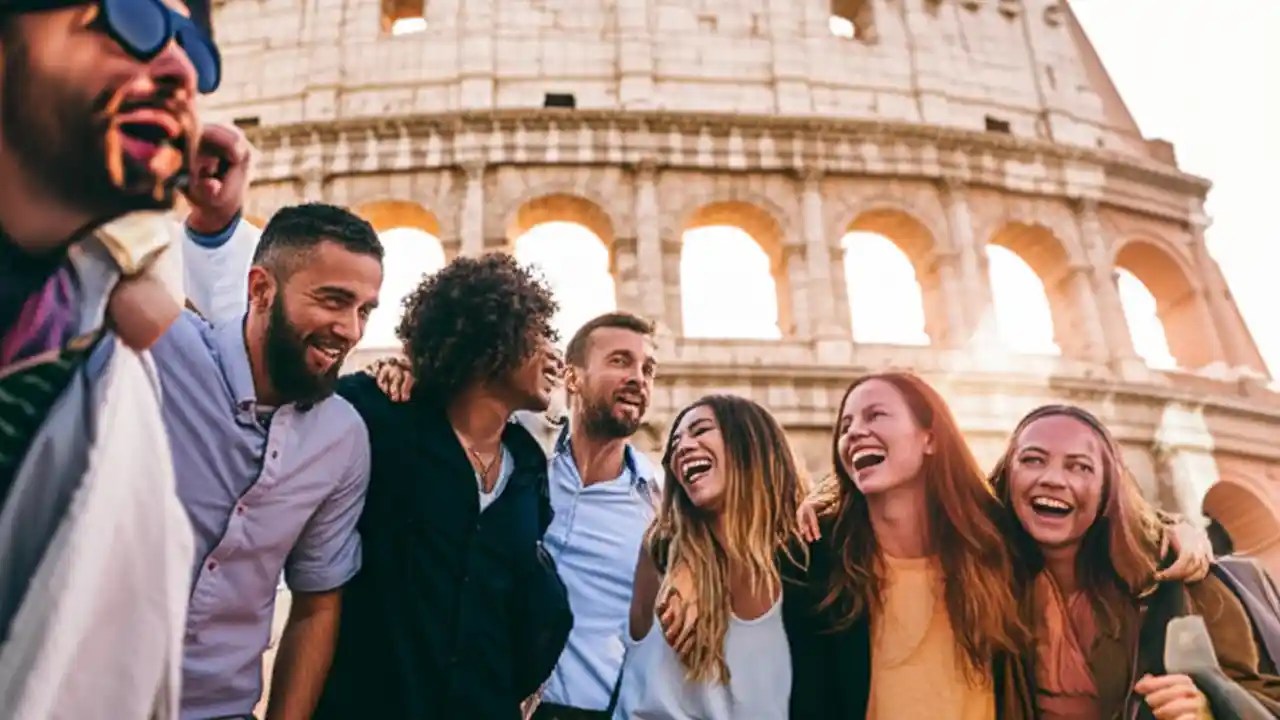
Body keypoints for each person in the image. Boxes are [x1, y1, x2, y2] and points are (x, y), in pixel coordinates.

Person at [0, 0, 237, 715]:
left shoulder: (97, 346)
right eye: (127, 18)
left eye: (196, 48)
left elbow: (228, 452)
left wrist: (201, 236)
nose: (176, 69)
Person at [791, 373, 1215, 719]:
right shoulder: (826, 557)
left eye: (876, 415)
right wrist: (822, 496)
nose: (856, 431)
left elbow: (1095, 513)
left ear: (930, 437)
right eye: (845, 426)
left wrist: (1172, 527)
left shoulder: (987, 541)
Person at [315, 253, 573, 720]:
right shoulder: (378, 417)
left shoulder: (531, 470)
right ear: (494, 336)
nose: (556, 356)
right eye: (541, 336)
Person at [152, 203, 382, 720]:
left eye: (365, 310)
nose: (349, 330)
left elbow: (317, 602)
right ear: (260, 289)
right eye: (333, 301)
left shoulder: (342, 438)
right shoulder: (163, 352)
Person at [372, 311, 662, 720]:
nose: (638, 377)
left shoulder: (660, 505)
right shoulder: (520, 462)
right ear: (572, 377)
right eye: (620, 361)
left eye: (648, 369)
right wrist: (416, 375)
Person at [991, 404, 1280, 719]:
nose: (1053, 479)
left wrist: (1210, 704)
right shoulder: (983, 580)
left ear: (1107, 490)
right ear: (1008, 473)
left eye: (1079, 467)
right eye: (1032, 460)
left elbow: (1266, 695)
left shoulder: (1178, 576)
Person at [613, 394, 810, 720]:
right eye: (675, 443)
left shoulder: (806, 562)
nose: (682, 448)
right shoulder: (659, 556)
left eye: (701, 430)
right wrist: (683, 556)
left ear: (751, 443)